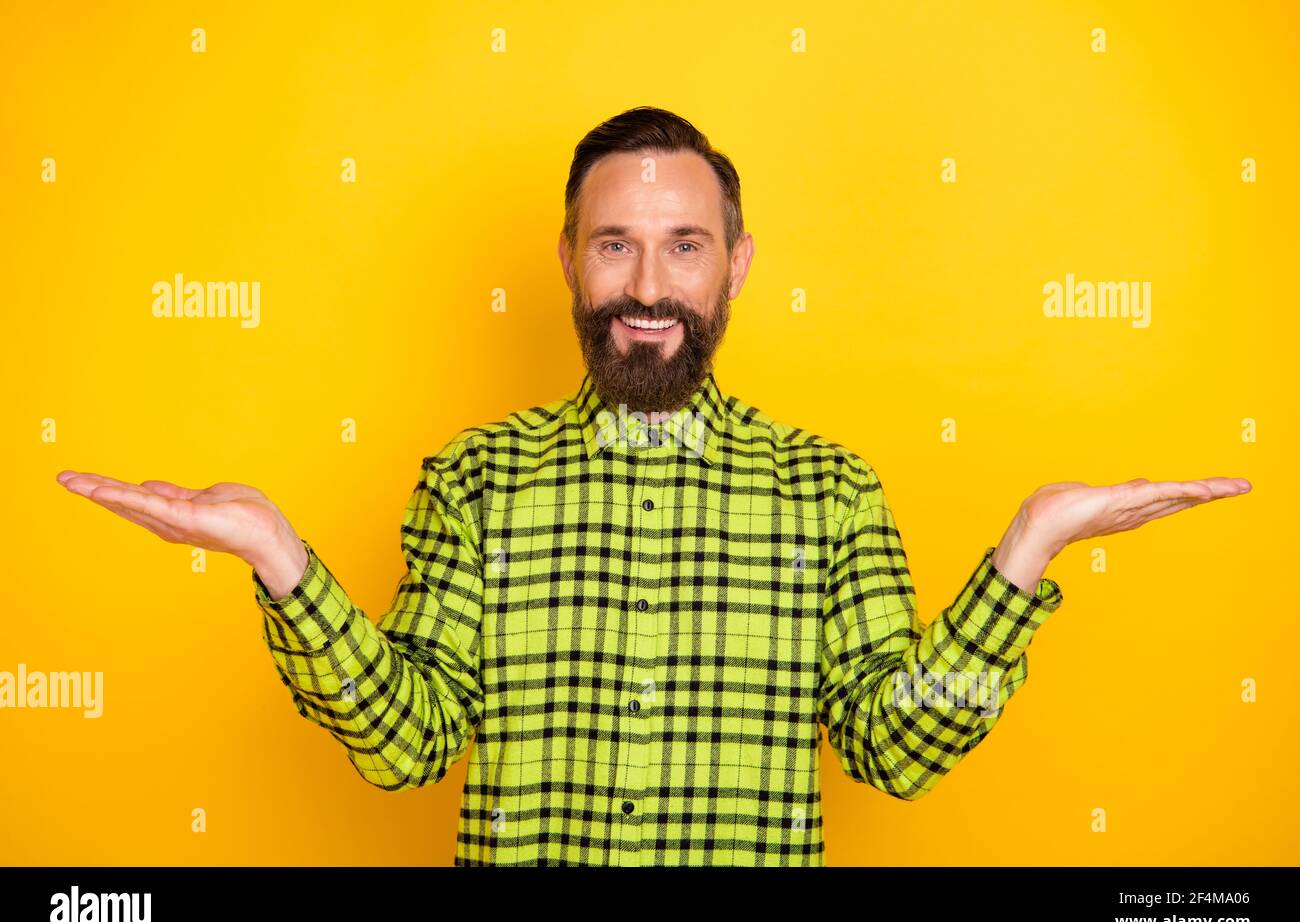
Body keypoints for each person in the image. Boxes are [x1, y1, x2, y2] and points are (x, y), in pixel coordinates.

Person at [56, 106, 1251, 866]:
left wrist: (1026, 553)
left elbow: (893, 749)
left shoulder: (829, 491)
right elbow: (410, 742)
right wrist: (281, 560)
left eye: (684, 245)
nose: (646, 285)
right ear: (568, 259)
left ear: (736, 265)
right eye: (614, 242)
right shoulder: (474, 480)